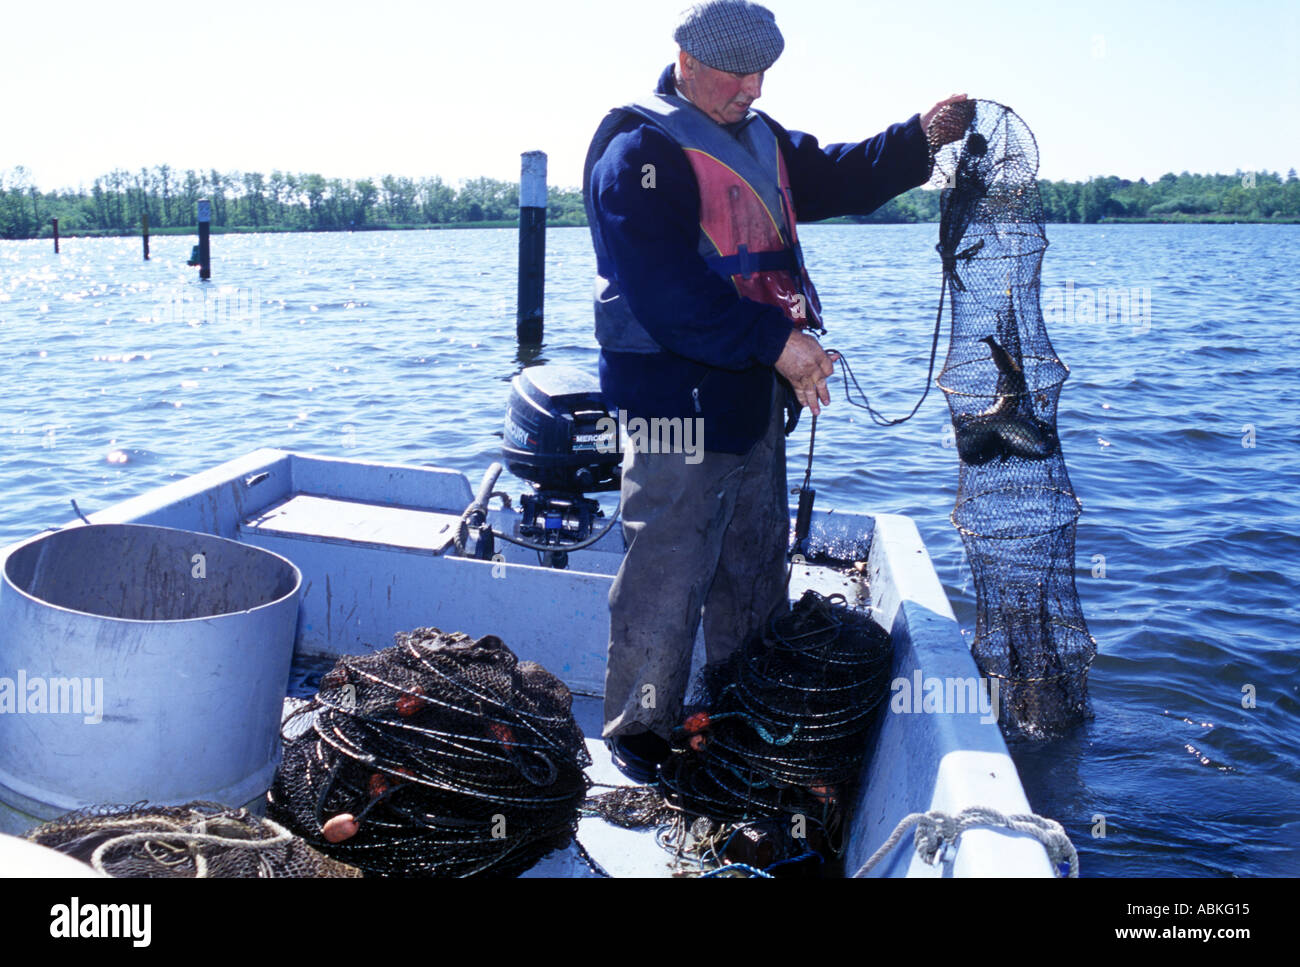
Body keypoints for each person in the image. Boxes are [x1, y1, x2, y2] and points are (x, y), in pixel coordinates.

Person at [584, 0, 971, 782]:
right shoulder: (637, 152)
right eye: (737, 73)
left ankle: (736, 704)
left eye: (763, 72)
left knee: (754, 564)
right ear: (686, 61)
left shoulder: (756, 138)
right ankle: (638, 740)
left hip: (753, 401)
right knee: (667, 569)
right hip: (673, 411)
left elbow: (841, 174)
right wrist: (781, 344)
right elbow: (668, 295)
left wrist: (919, 138)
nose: (753, 88)